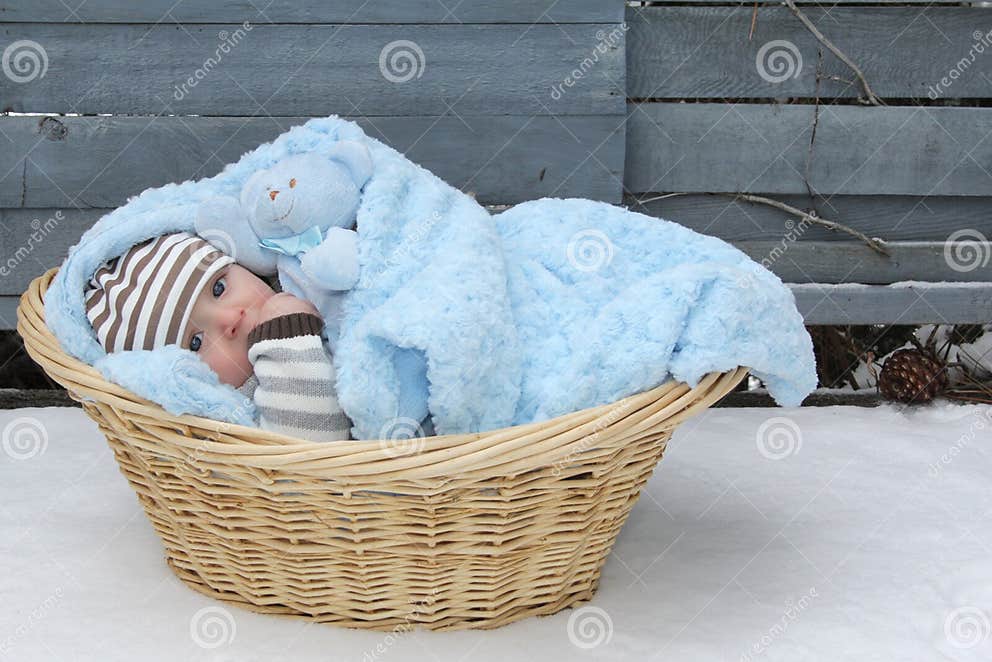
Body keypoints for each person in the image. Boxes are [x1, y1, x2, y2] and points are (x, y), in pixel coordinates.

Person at [83, 231, 352, 442]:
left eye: (219, 288)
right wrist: (287, 337)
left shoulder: (298, 277)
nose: (230, 319)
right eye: (196, 342)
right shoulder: (238, 403)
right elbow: (311, 448)